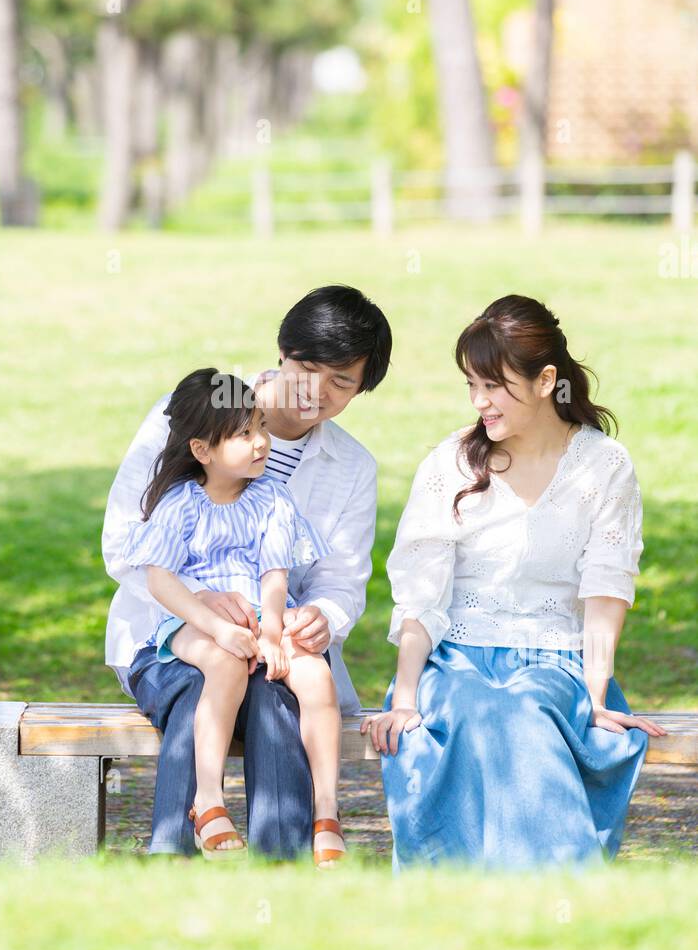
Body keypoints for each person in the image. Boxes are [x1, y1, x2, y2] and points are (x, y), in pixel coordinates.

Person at [363, 294, 667, 871]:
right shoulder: (452, 462)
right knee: (480, 707)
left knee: (522, 708)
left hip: (557, 661)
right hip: (455, 661)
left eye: (494, 386)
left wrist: (597, 696)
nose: (480, 403)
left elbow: (605, 591)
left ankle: (551, 890)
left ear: (547, 379)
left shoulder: (604, 467)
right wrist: (404, 697)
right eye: (471, 385)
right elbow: (422, 592)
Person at [102, 284, 392, 858]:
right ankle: (175, 850)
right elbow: (122, 544)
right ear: (282, 352)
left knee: (276, 688)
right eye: (308, 369)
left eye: (343, 384)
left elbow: (342, 582)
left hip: (275, 638)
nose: (318, 393)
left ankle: (279, 863)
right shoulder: (184, 413)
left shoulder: (352, 467)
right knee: (207, 678)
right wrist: (201, 602)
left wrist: (321, 619)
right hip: (167, 638)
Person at [114, 368, 347, 866]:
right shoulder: (181, 504)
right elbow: (160, 582)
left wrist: (271, 633)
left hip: (261, 621)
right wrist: (218, 627)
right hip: (193, 625)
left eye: (260, 426)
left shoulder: (271, 500)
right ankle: (208, 800)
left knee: (313, 675)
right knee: (220, 664)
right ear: (202, 450)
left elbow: (275, 577)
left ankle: (326, 811)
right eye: (244, 434)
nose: (262, 442)